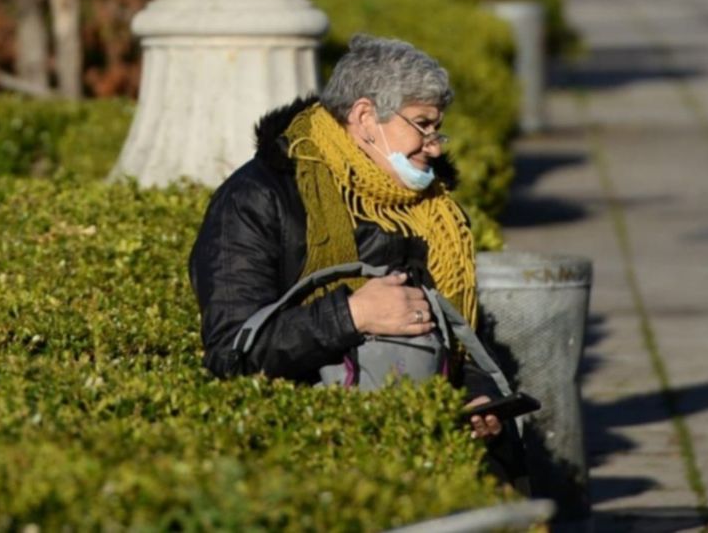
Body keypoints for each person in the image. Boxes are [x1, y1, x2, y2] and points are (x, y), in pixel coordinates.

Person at [188, 34, 518, 450]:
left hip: (425, 446)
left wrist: (476, 394)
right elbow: (229, 353)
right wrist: (351, 314)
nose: (433, 147)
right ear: (365, 117)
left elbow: (459, 336)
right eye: (422, 125)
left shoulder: (436, 210)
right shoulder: (259, 197)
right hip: (304, 446)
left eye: (438, 129)